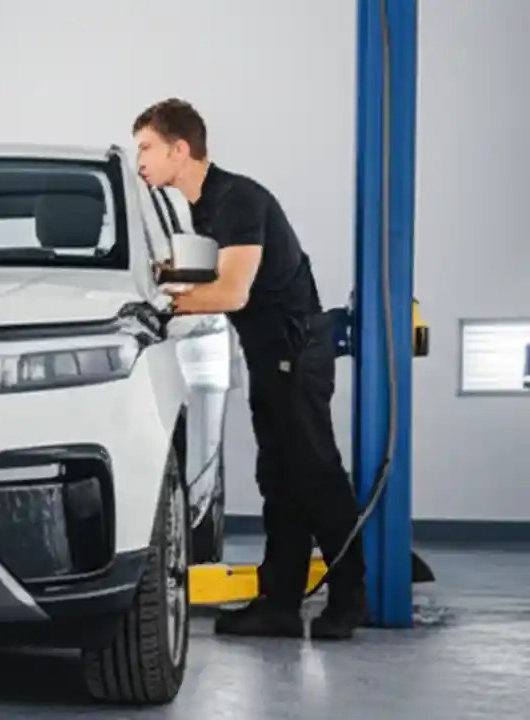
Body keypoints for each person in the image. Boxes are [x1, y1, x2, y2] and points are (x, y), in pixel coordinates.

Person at [131, 98, 368, 640]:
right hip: (269, 355)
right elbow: (208, 276)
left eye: (146, 147)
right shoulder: (204, 208)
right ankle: (279, 604)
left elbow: (231, 292)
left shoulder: (237, 200)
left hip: (295, 352)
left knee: (316, 476)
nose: (139, 159)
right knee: (279, 480)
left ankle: (351, 599)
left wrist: (159, 305)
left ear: (179, 149)